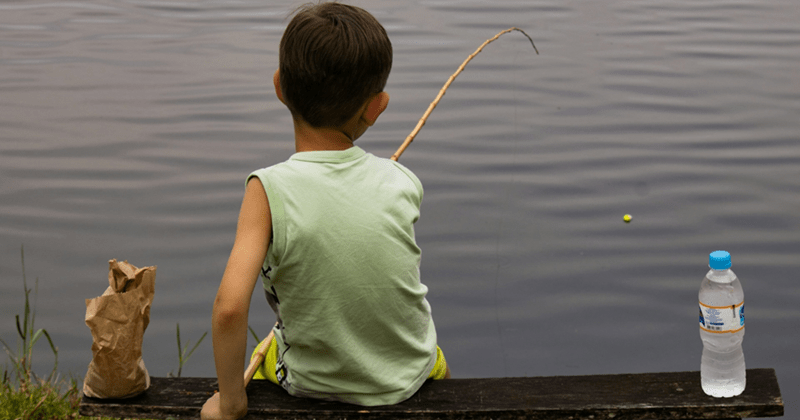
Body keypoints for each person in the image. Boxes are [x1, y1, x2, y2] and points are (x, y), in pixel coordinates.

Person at [200, 3, 449, 420]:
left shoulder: (266, 189)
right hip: (410, 377)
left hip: (310, 386)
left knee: (271, 354)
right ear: (377, 107)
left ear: (279, 87)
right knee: (433, 355)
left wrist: (229, 403)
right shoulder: (402, 180)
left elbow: (229, 309)